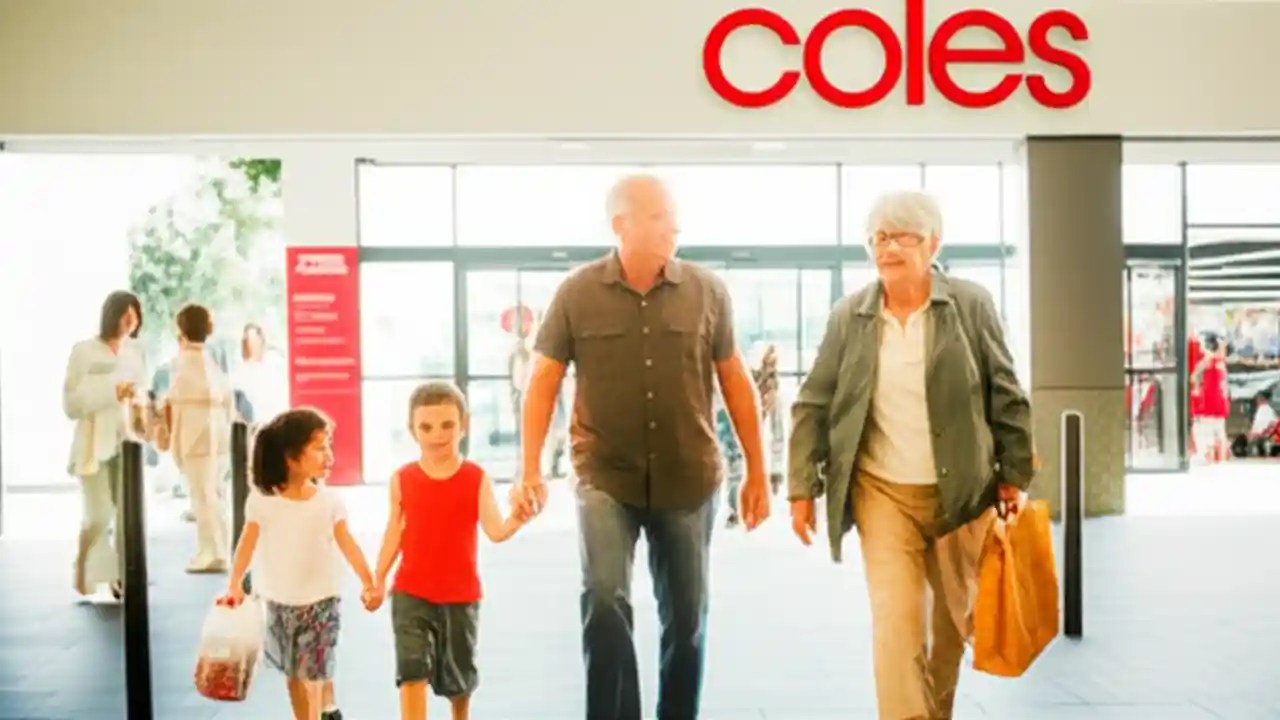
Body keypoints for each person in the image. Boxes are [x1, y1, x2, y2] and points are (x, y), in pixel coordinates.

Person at [512, 173, 771, 720]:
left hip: (689, 476)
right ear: (620, 225)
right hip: (605, 473)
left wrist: (757, 469)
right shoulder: (577, 292)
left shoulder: (707, 291)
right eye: (657, 216)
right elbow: (542, 382)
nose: (672, 225)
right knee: (605, 602)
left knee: (687, 618)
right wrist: (528, 469)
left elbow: (736, 380)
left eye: (673, 215)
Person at [789, 190, 1036, 720]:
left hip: (962, 498)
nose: (889, 247)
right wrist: (800, 487)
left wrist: (1014, 477)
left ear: (933, 244)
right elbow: (813, 400)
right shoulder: (850, 315)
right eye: (879, 237)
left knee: (948, 639)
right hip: (883, 493)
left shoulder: (969, 305)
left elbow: (1005, 390)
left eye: (903, 236)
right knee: (898, 628)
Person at [366, 381, 528, 720]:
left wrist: (518, 517)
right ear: (412, 430)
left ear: (464, 424)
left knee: (459, 680)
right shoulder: (403, 478)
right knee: (411, 672)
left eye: (447, 425)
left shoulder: (476, 477)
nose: (437, 435)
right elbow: (394, 530)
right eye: (426, 427)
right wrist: (378, 578)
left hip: (460, 595)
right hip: (410, 591)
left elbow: (495, 530)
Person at [221, 408, 376, 720]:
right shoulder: (262, 502)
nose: (329, 455)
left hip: (321, 601)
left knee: (314, 672)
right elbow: (246, 543)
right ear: (291, 458)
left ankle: (321, 711)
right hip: (279, 602)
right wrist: (235, 582)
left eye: (328, 446)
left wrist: (369, 581)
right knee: (293, 674)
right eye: (319, 447)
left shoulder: (329, 502)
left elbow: (348, 544)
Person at [63, 290, 148, 600]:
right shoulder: (84, 351)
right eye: (126, 315)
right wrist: (112, 391)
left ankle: (123, 577)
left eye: (135, 316)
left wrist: (139, 402)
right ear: (111, 315)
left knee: (129, 516)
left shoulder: (134, 354)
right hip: (93, 446)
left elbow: (142, 391)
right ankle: (83, 563)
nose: (131, 322)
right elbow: (71, 404)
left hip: (127, 442)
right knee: (99, 515)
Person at [164, 303, 233, 573]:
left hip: (195, 436)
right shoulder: (210, 360)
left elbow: (177, 400)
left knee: (202, 496)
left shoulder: (184, 361)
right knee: (213, 494)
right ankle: (218, 549)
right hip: (217, 434)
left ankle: (212, 552)